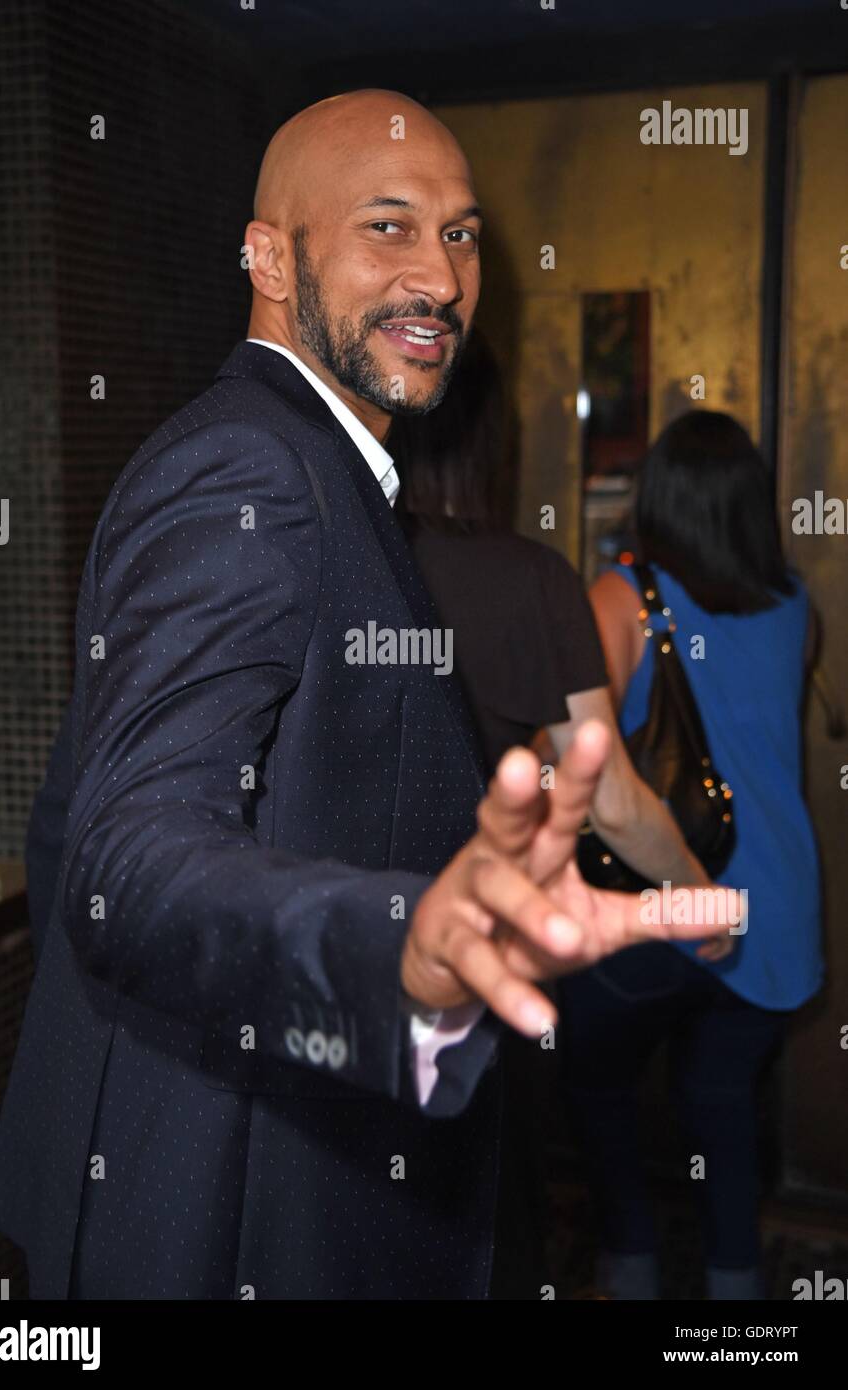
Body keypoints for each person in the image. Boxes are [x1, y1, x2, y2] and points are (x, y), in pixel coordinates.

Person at [0, 91, 733, 1301]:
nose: (438, 274)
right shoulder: (248, 469)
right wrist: (389, 950)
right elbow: (126, 853)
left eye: (461, 233)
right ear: (269, 257)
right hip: (219, 1206)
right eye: (388, 226)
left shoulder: (316, 468)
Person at [390, 330, 716, 1297]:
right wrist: (699, 898)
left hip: (349, 946)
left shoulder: (337, 557)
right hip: (486, 945)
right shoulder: (530, 580)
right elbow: (607, 789)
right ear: (492, 437)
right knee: (490, 1213)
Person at [557, 409, 824, 1300]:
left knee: (590, 1068)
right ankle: (735, 1304)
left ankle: (628, 1260)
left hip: (667, 898)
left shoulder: (620, 596)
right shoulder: (793, 604)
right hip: (776, 906)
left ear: (656, 497)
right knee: (719, 1101)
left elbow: (576, 757)